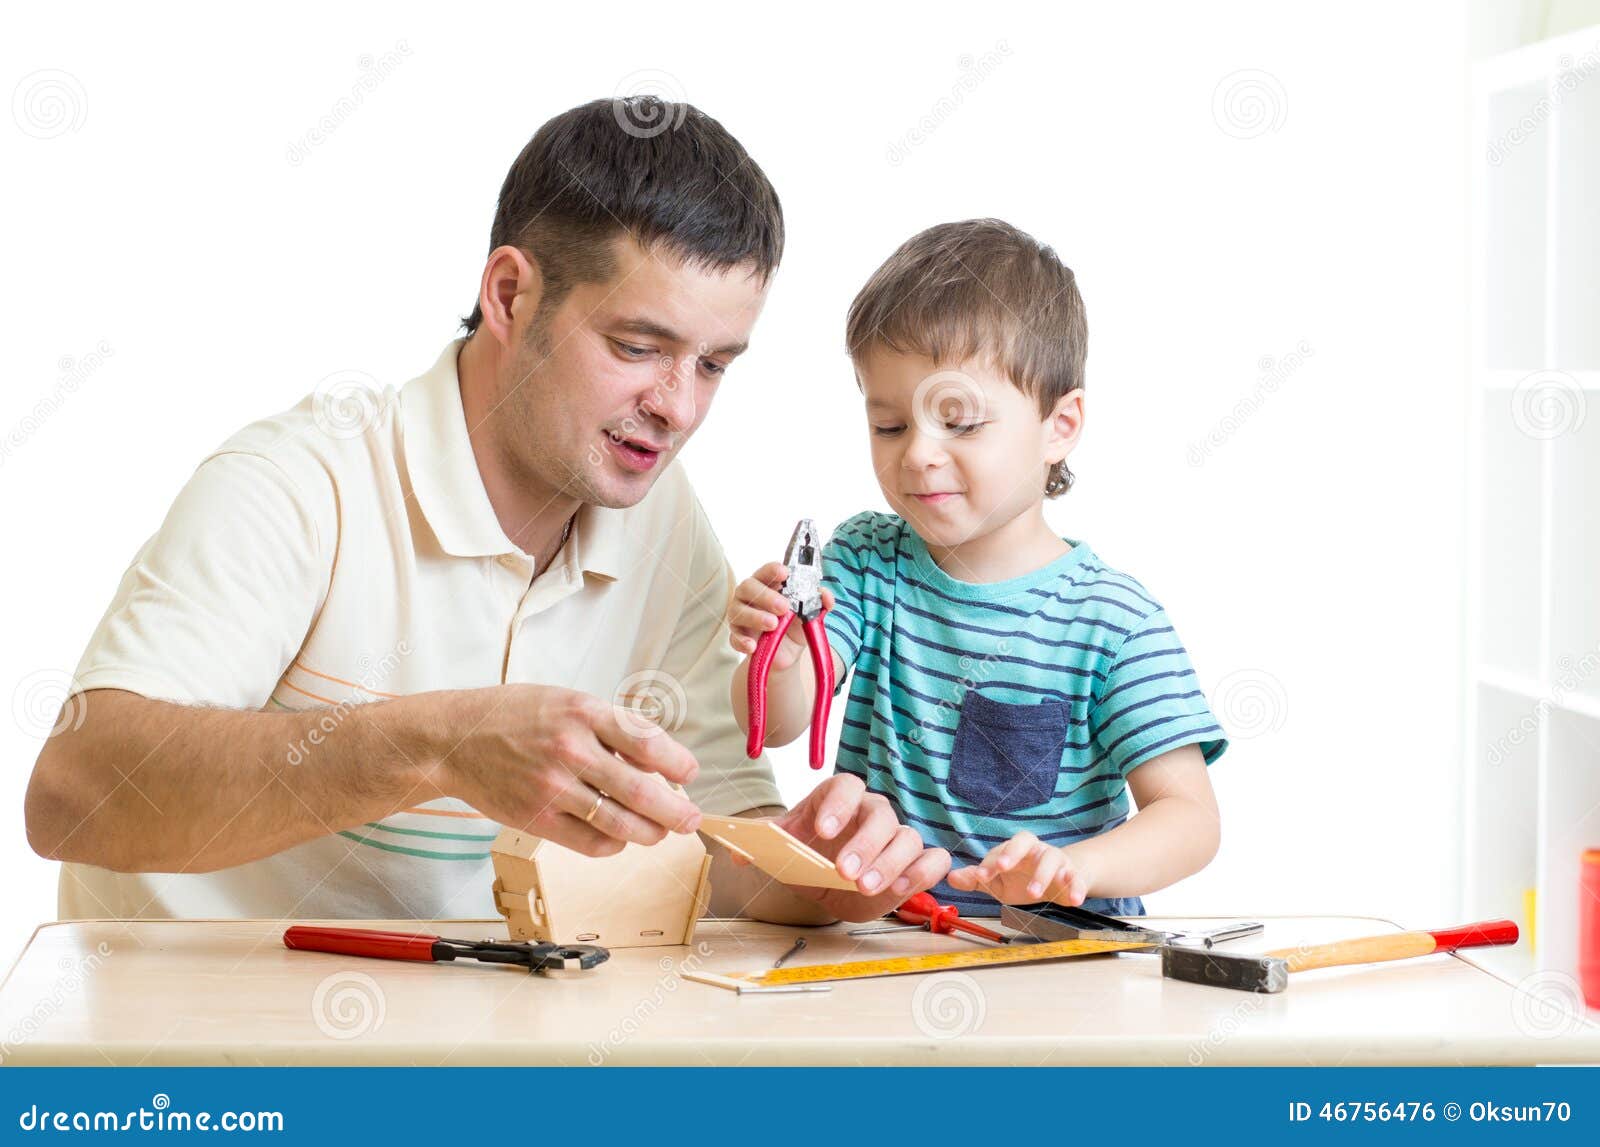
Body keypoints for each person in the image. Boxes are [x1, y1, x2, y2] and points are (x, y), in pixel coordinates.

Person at [23, 97, 949, 924]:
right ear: (509, 295)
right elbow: (72, 794)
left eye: (714, 364)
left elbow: (716, 841)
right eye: (639, 345)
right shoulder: (301, 482)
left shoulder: (659, 520)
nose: (680, 407)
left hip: (455, 1050)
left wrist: (819, 871)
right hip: (188, 1074)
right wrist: (438, 744)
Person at [728, 219, 1227, 916]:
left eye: (959, 422)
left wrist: (1075, 866)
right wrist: (779, 651)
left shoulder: (1114, 622)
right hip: (888, 951)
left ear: (1060, 424)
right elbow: (782, 723)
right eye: (890, 425)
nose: (918, 455)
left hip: (1057, 973)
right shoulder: (868, 563)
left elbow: (1191, 820)